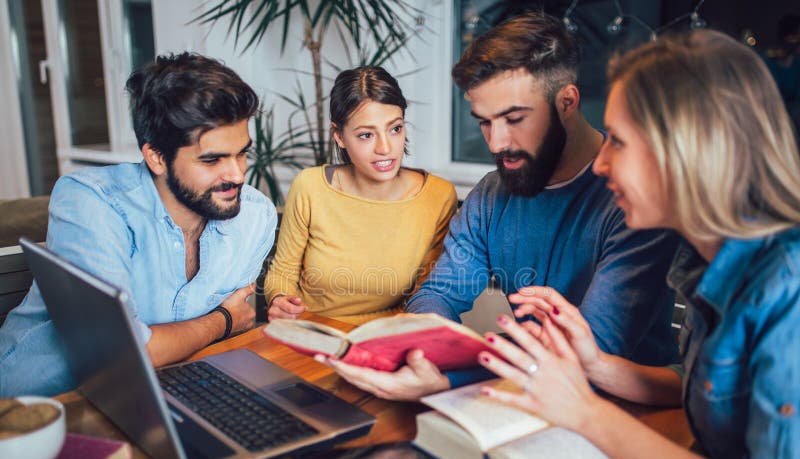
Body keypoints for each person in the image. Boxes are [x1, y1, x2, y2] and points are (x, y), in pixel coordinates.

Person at [480, 29, 800, 459]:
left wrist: (588, 414)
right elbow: (698, 385)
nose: (601, 161)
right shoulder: (707, 260)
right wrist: (597, 364)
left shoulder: (789, 292)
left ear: (692, 151)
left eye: (620, 142)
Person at [317, 12, 678, 400]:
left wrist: (450, 379)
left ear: (567, 102)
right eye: (484, 122)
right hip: (523, 394)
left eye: (514, 119)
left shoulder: (634, 200)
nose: (495, 143)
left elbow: (592, 355)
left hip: (633, 414)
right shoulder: (492, 194)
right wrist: (423, 349)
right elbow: (441, 292)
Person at [0, 53, 277, 397]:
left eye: (241, 153)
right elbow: (122, 355)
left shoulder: (255, 216)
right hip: (42, 404)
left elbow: (239, 322)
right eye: (212, 160)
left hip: (167, 394)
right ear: (156, 157)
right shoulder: (91, 202)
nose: (236, 174)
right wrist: (221, 322)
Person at [263, 66, 457, 325]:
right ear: (339, 136)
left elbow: (426, 294)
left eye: (395, 129)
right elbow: (282, 272)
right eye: (366, 135)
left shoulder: (437, 196)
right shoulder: (309, 187)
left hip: (388, 335)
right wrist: (281, 300)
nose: (385, 148)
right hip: (311, 331)